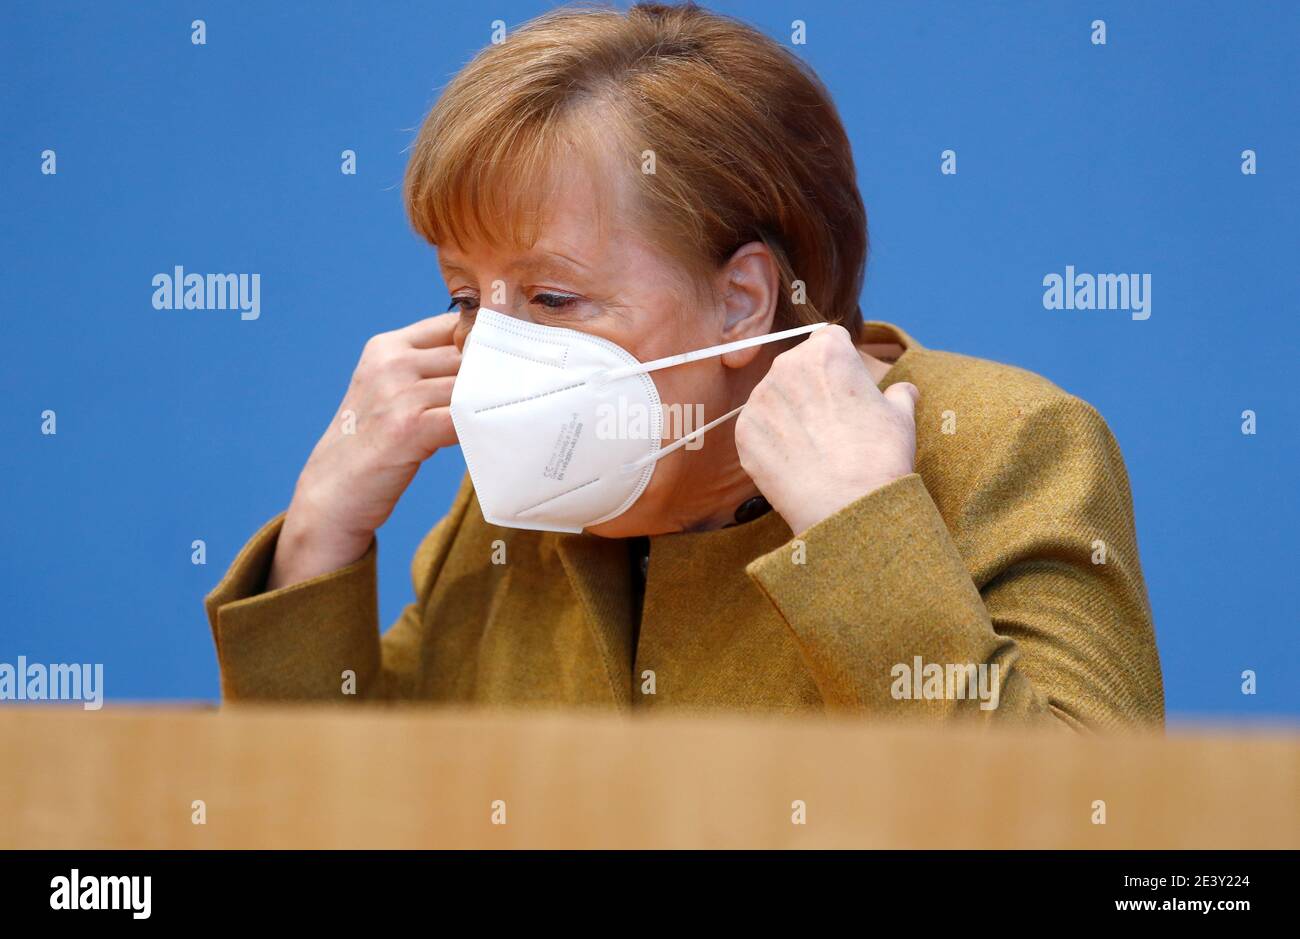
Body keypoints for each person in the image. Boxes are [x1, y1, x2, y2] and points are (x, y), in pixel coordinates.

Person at [205, 2, 1164, 728]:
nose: (493, 356)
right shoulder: (520, 514)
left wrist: (864, 539)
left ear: (742, 299)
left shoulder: (1004, 446)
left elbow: (1103, 839)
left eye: (551, 298)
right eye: (466, 299)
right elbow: (348, 820)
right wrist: (319, 545)